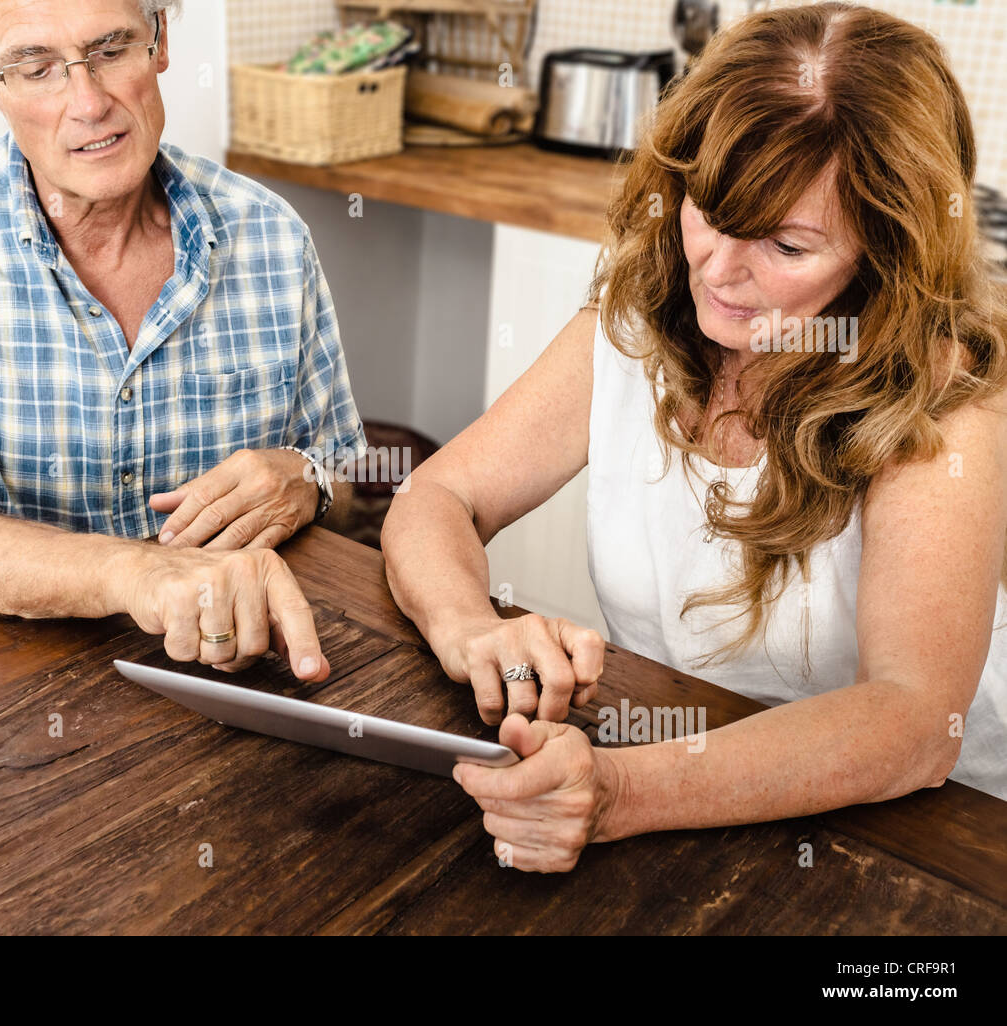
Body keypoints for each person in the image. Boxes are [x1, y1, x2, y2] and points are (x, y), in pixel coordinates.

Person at [382, 1, 1007, 871]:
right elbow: (437, 497)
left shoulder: (944, 401)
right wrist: (469, 627)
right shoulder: (635, 324)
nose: (719, 272)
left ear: (888, 252)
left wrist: (622, 793)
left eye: (786, 246)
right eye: (709, 210)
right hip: (683, 791)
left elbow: (911, 721)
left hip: (919, 838)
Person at [0, 0, 365, 682]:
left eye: (111, 50)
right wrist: (132, 571)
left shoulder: (271, 235)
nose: (88, 102)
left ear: (160, 40)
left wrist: (310, 482)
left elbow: (350, 480)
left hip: (239, 678)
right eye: (36, 67)